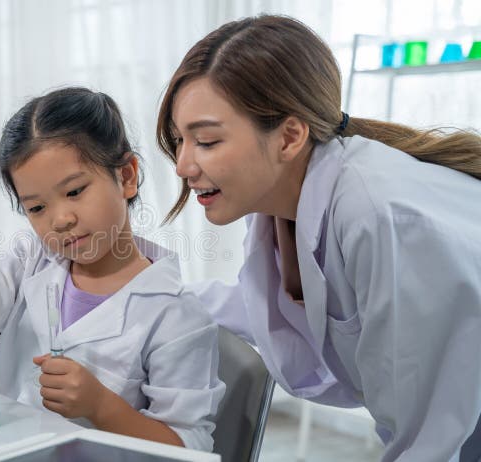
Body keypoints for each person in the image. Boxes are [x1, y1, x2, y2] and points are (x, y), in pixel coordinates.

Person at [157, 14, 481, 461]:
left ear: (289, 136)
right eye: (178, 141)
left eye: (207, 142)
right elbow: (286, 315)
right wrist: (153, 293)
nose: (183, 166)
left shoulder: (378, 217)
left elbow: (428, 439)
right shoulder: (282, 210)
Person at [0, 87, 224, 450]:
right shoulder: (31, 262)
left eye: (75, 191)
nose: (60, 220)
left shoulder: (176, 316)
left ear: (126, 176)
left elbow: (190, 449)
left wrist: (101, 406)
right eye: (36, 208)